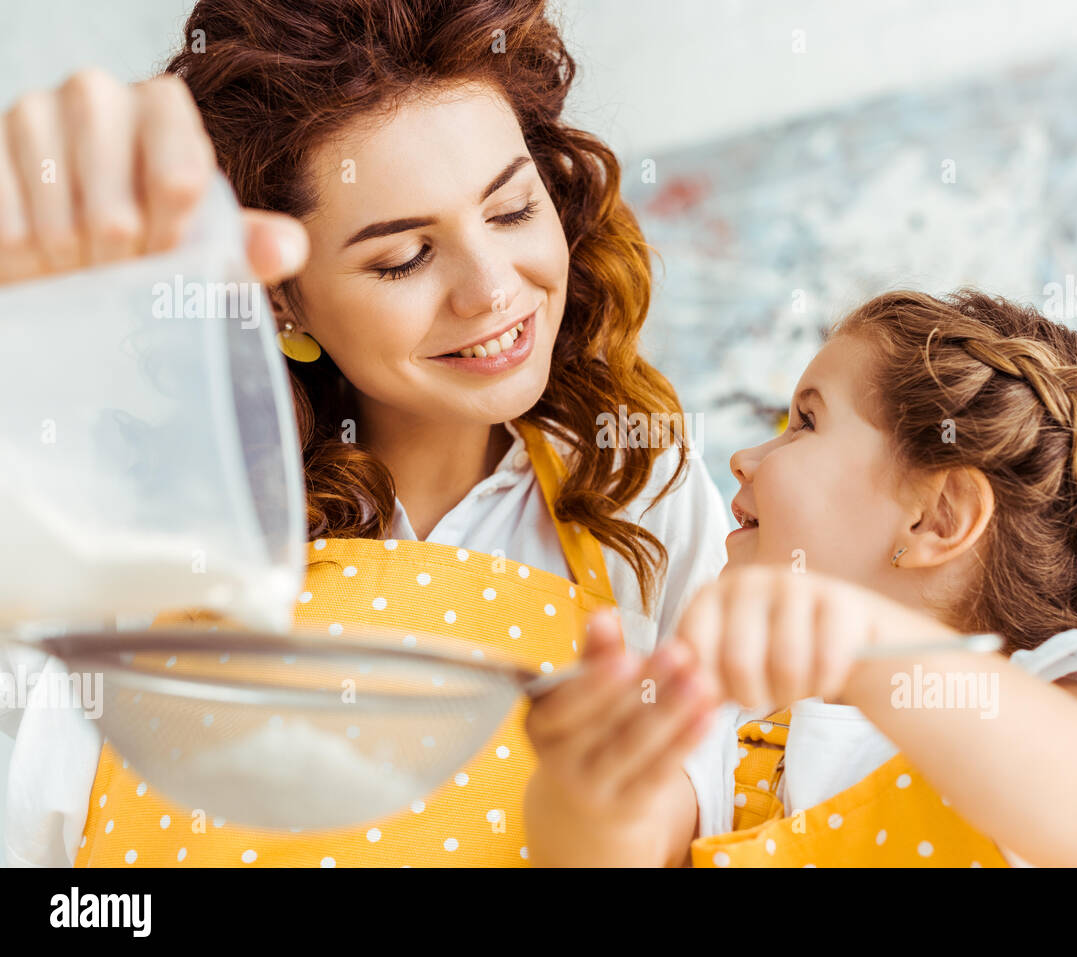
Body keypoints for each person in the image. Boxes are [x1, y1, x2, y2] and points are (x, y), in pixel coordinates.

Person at [0, 0, 729, 868]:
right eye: (403, 258)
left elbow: (741, 819)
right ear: (281, 299)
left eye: (509, 211)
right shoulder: (142, 538)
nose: (493, 291)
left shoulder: (640, 486)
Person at [524, 289, 1077, 868]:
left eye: (805, 422)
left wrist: (859, 637)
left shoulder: (1062, 698)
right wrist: (583, 788)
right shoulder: (746, 744)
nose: (746, 458)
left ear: (936, 518)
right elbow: (611, 850)